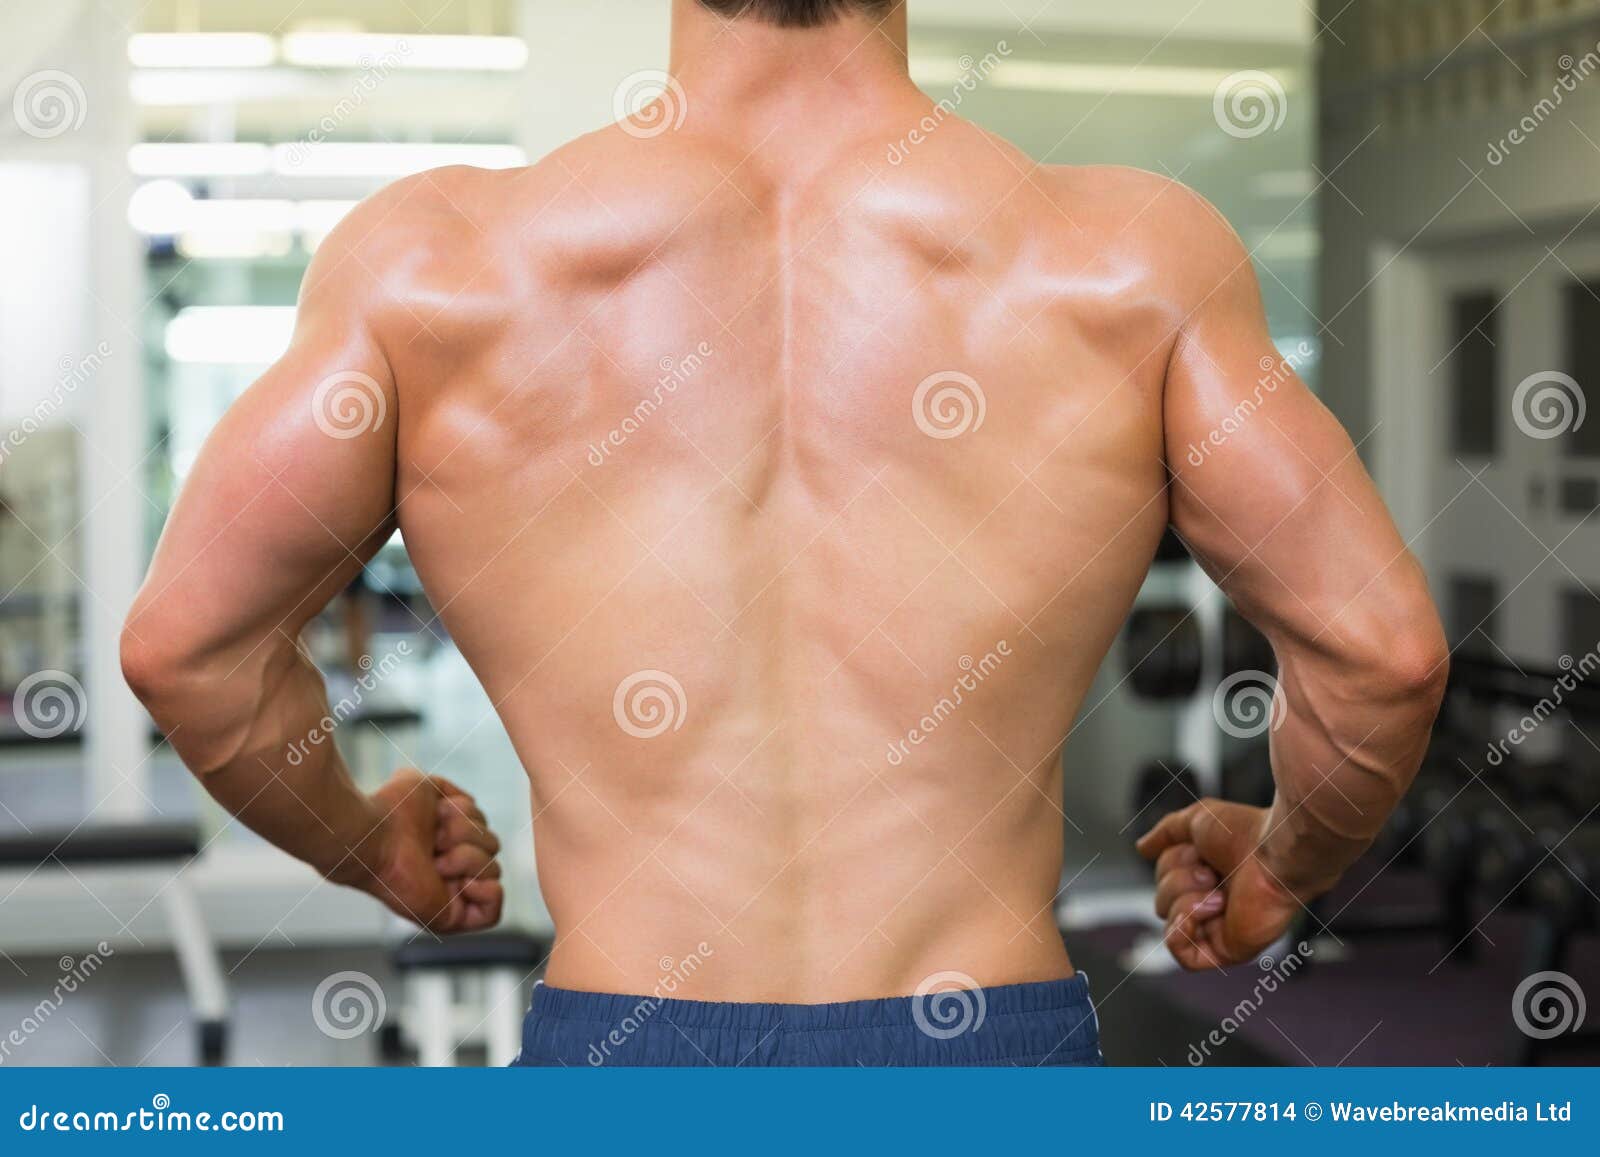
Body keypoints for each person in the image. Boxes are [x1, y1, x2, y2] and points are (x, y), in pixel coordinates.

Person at [121, 0, 1448, 1066]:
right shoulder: (1131, 259)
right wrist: (1281, 867)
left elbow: (188, 648)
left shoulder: (435, 267)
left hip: (631, 1047)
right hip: (979, 1046)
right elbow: (1382, 657)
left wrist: (366, 843)